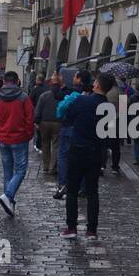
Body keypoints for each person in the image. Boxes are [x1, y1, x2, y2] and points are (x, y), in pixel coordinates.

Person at [61, 71, 112, 241]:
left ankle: (72, 227)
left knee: (73, 190)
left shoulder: (82, 100)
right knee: (92, 191)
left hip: (77, 149)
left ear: (96, 85)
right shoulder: (109, 108)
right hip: (96, 152)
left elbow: (68, 117)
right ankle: (91, 230)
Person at [0, 70, 35, 218]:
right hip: (20, 139)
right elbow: (30, 118)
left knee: (8, 171)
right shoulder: (23, 98)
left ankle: (10, 202)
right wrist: (28, 135)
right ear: (17, 81)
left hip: (3, 138)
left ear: (3, 81)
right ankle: (8, 196)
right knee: (20, 170)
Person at [53, 71, 88, 200]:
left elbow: (57, 95)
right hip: (84, 130)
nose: (73, 78)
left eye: (75, 76)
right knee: (82, 158)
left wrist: (56, 82)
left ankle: (63, 184)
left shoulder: (72, 93)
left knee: (63, 157)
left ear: (79, 79)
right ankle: (82, 187)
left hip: (68, 128)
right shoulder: (91, 94)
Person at [33, 72, 64, 175]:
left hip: (44, 123)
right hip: (58, 123)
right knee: (55, 145)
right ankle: (52, 167)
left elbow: (38, 110)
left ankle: (46, 166)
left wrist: (37, 121)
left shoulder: (44, 96)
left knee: (45, 144)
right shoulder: (63, 96)